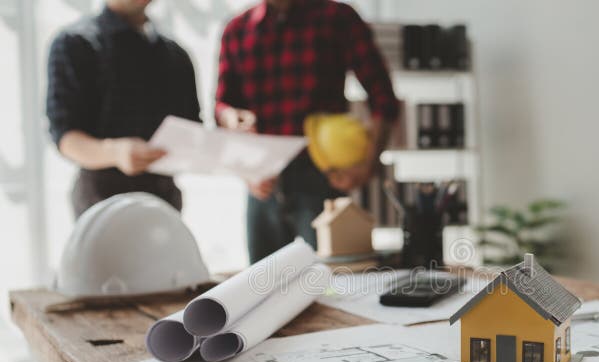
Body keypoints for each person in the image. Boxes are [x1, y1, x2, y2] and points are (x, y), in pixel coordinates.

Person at [216, 0, 399, 263]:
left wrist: (368, 164)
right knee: (261, 291)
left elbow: (383, 97)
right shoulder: (236, 30)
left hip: (322, 181)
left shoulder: (337, 17)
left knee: (329, 288)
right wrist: (231, 119)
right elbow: (222, 107)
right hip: (261, 181)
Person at [46, 0, 201, 218]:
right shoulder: (75, 44)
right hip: (101, 205)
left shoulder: (176, 56)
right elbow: (65, 137)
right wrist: (115, 152)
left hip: (164, 204)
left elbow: (193, 129)